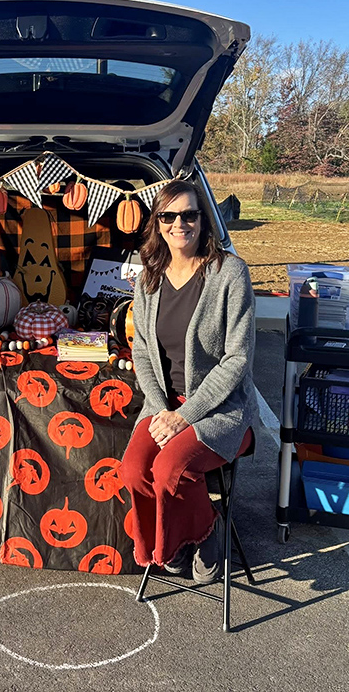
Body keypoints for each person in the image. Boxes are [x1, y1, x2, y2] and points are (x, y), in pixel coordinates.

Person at [120, 179, 258, 583]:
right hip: (165, 407)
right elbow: (142, 350)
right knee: (133, 470)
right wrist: (163, 409)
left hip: (221, 410)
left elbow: (238, 359)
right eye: (169, 215)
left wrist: (186, 415)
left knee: (169, 472)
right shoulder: (150, 276)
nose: (179, 223)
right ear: (157, 223)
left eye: (189, 214)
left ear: (203, 220)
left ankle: (205, 530)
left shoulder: (230, 273)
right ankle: (172, 543)